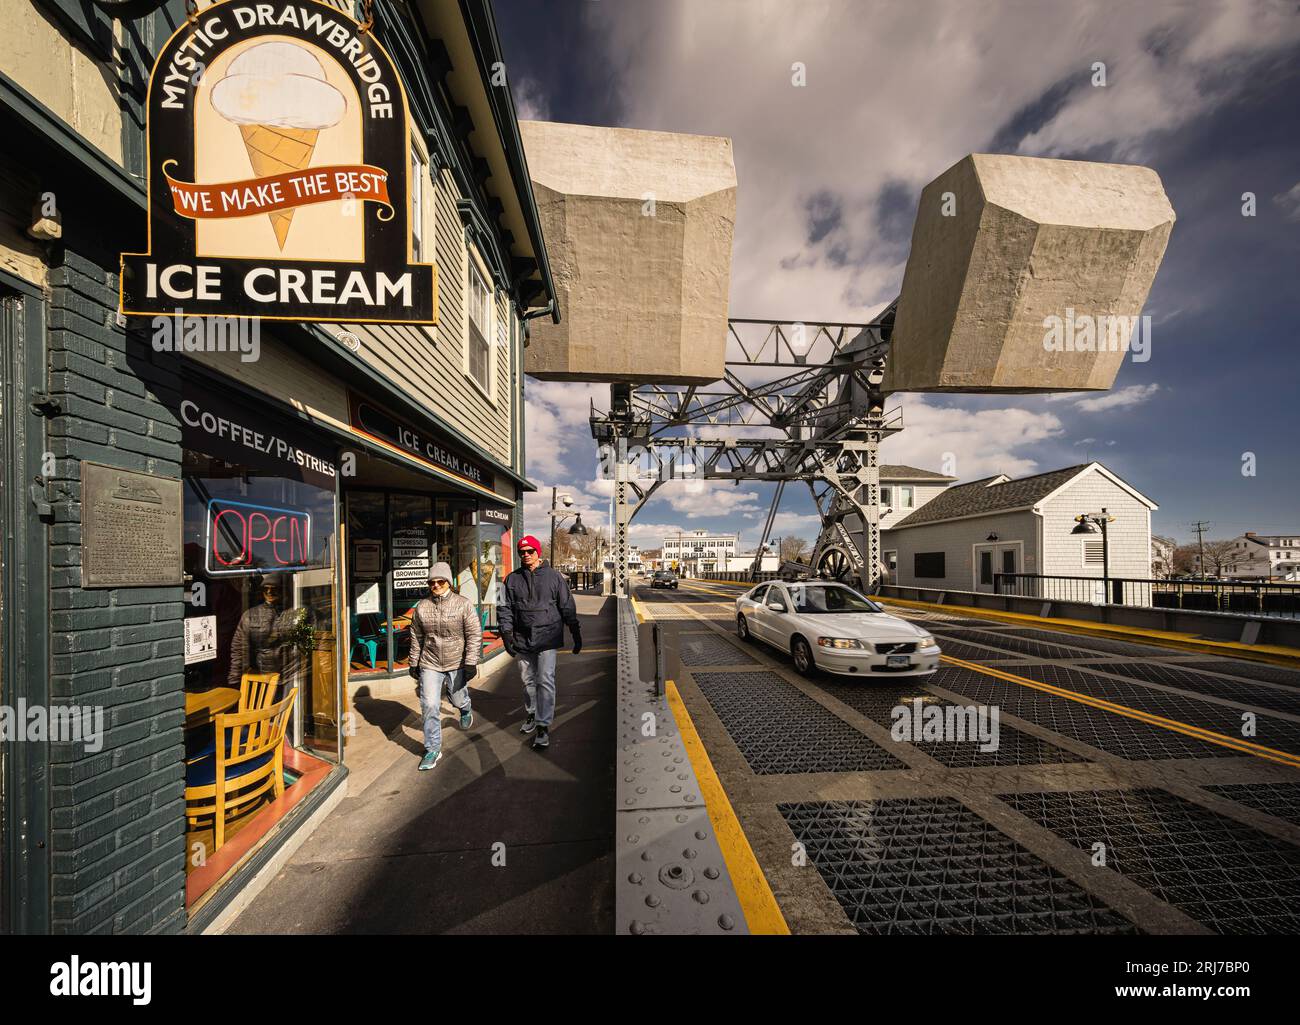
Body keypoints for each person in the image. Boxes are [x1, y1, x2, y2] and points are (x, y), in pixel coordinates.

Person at [497, 535, 580, 750]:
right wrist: (506, 633)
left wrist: (575, 630)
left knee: (545, 680)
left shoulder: (554, 577)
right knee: (527, 681)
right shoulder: (510, 579)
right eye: (522, 552)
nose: (526, 555)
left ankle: (543, 725)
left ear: (538, 553)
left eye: (530, 551)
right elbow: (504, 608)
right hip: (522, 637)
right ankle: (532, 713)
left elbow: (567, 605)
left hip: (548, 637)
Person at [408, 561, 482, 771]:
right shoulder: (422, 607)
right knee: (429, 704)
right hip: (429, 663)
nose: (436, 585)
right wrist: (414, 663)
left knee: (457, 696)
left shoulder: (463, 604)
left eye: (441, 581)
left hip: (456, 661)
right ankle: (432, 748)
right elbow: (416, 636)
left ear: (448, 582)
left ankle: (464, 707)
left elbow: (474, 634)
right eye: (432, 582)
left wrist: (470, 661)